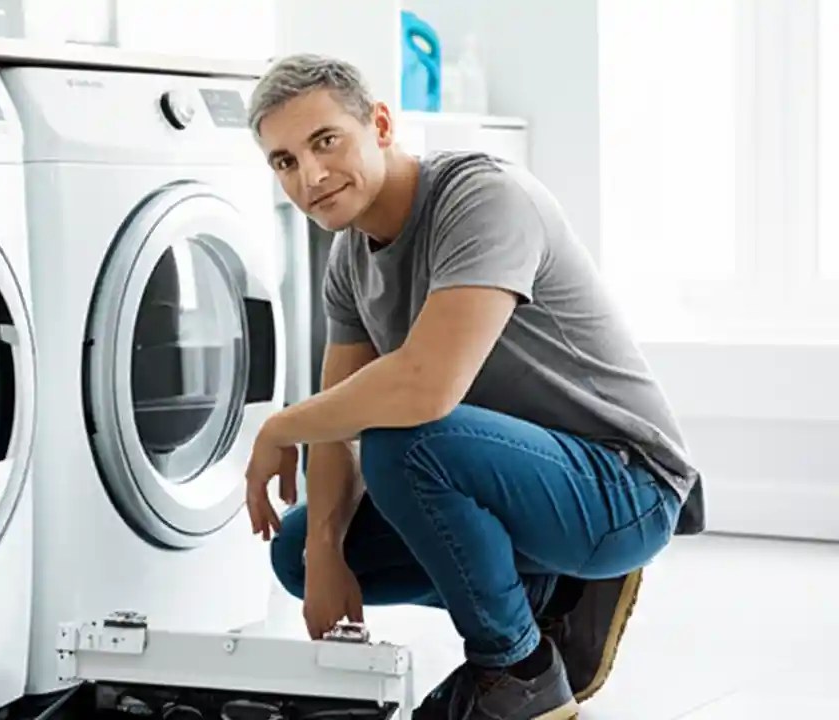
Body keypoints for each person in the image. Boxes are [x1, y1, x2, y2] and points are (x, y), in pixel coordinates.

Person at [240, 53, 705, 720]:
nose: (309, 176)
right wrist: (322, 552)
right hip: (518, 484)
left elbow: (426, 388)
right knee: (297, 548)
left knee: (405, 441)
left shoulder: (480, 198)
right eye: (284, 162)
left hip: (624, 485)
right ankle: (551, 596)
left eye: (325, 141)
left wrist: (279, 425)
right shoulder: (349, 260)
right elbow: (339, 426)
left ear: (378, 123)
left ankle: (516, 668)